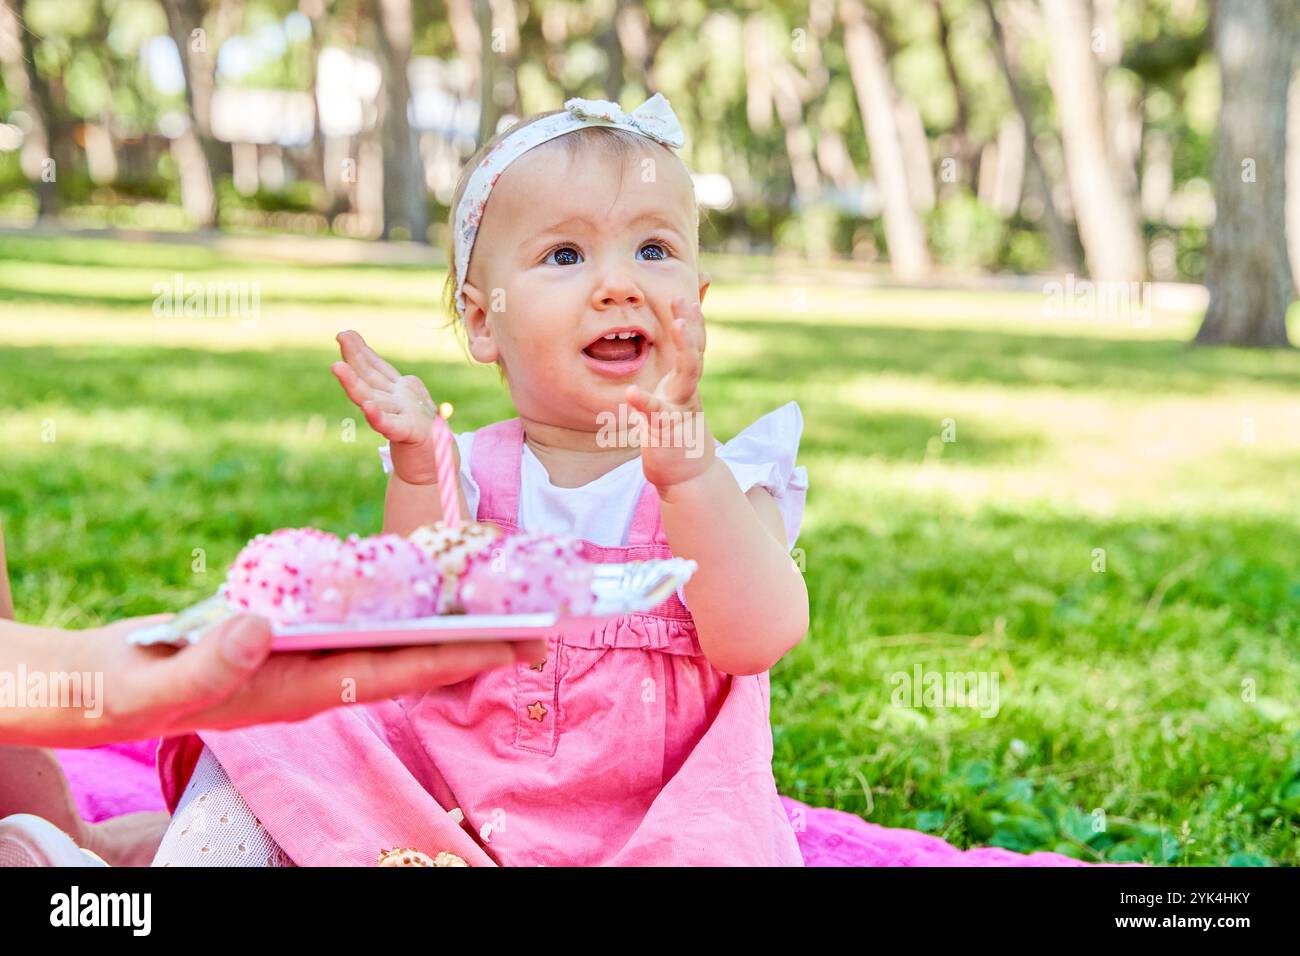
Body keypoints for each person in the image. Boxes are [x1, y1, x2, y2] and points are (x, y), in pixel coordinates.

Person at [151, 92, 811, 867]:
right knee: (279, 717)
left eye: (655, 251)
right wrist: (418, 460)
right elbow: (406, 619)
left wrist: (692, 481)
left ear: (697, 306)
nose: (619, 286)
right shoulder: (467, 469)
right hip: (440, 814)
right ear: (483, 322)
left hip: (656, 834)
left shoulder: (732, 477)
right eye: (565, 256)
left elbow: (756, 641)